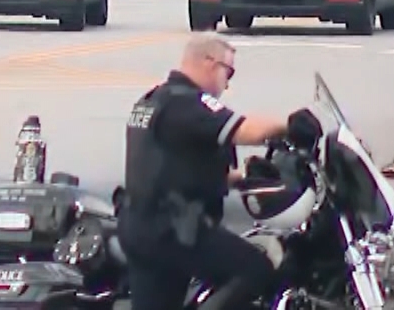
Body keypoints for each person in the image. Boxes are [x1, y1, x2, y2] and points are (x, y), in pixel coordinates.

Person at [121, 35, 324, 310]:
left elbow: (169, 168)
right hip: (174, 231)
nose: (228, 83)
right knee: (255, 269)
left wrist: (240, 178)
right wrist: (290, 126)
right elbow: (244, 129)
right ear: (208, 62)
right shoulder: (187, 102)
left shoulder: (154, 99)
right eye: (228, 72)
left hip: (140, 224)